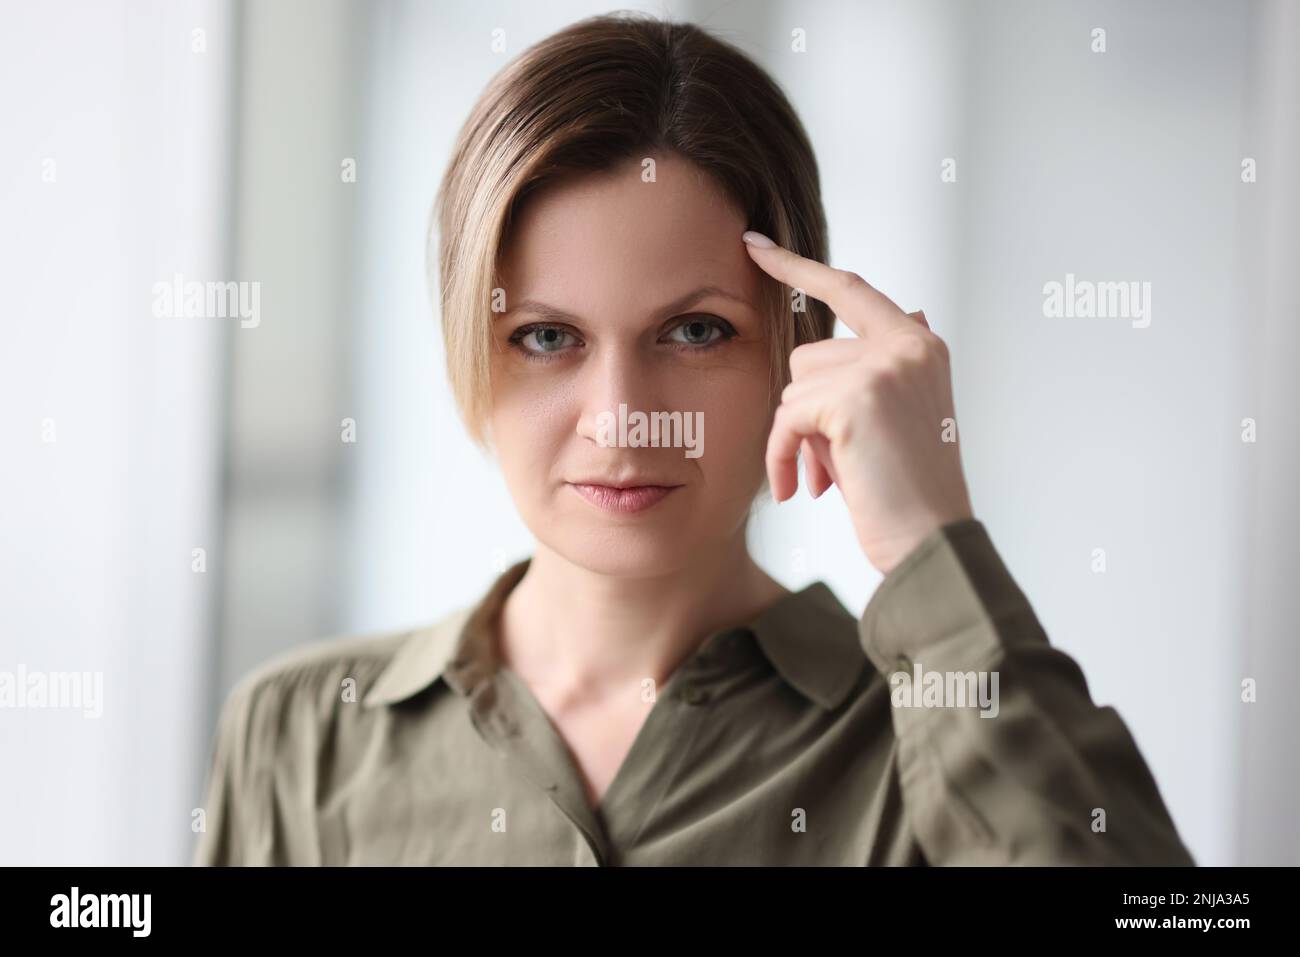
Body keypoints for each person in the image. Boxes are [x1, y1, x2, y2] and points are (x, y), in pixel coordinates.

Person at [193, 13, 1193, 866]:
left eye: (696, 331)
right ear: (469, 346)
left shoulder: (925, 736)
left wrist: (931, 545)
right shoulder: (301, 738)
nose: (622, 415)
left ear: (796, 347)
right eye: (546, 338)